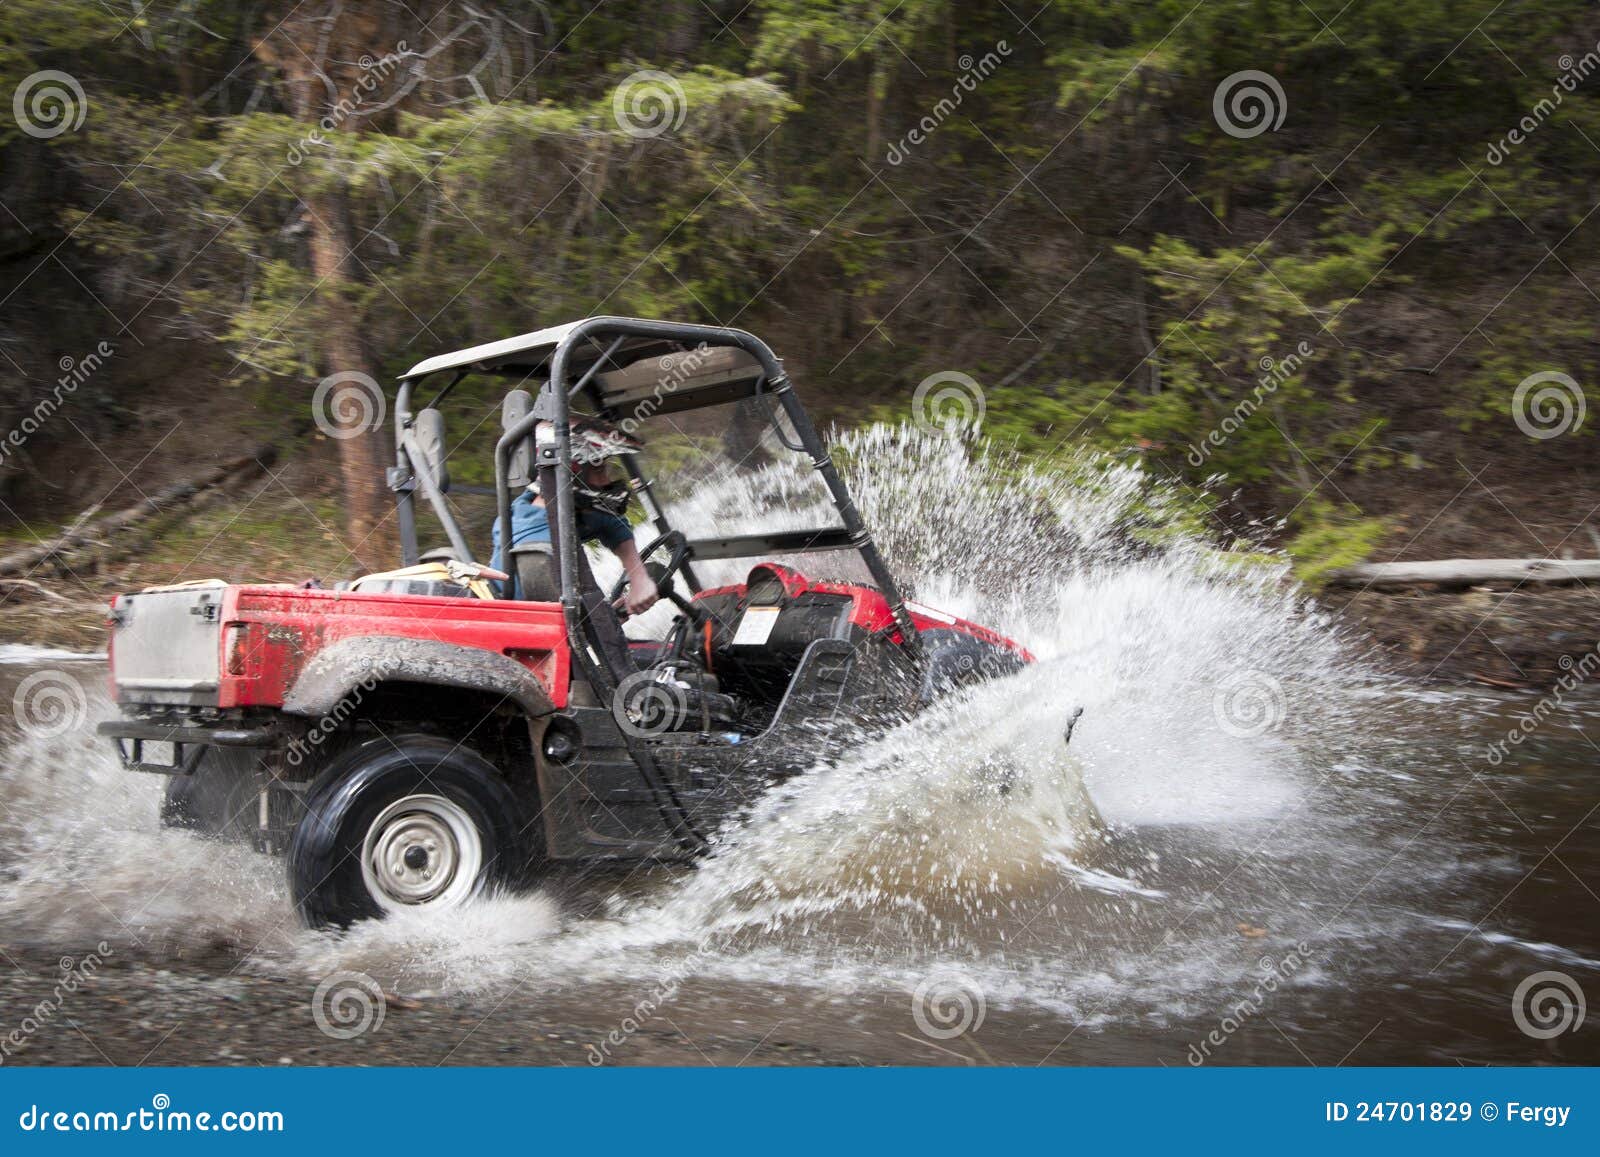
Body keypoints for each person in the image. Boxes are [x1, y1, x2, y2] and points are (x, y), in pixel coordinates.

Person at [490, 417, 659, 615]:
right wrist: (608, 620)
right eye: (599, 469)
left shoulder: (552, 506)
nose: (607, 480)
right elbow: (568, 630)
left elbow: (611, 522)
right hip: (525, 631)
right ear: (570, 473)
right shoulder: (541, 551)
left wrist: (638, 576)